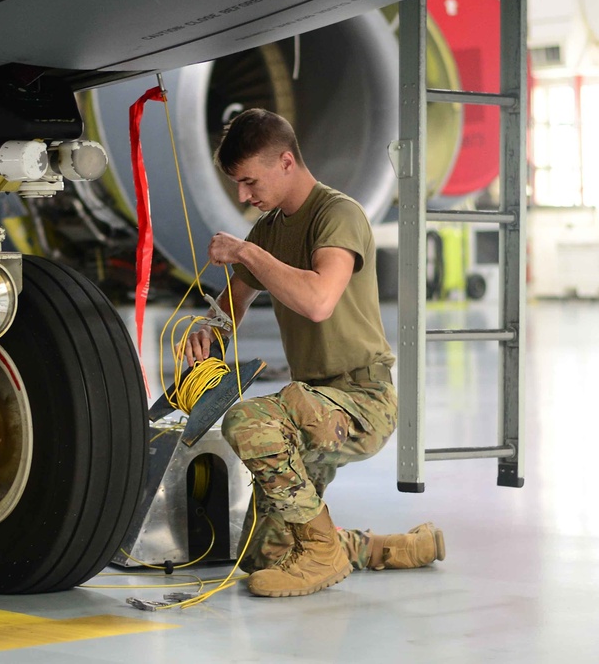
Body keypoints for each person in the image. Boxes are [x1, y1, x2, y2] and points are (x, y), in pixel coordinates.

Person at [183, 108, 444, 597]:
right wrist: (209, 330)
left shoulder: (337, 214)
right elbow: (232, 303)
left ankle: (322, 551)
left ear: (286, 162)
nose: (243, 196)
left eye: (248, 181)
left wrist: (245, 252)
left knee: (248, 421)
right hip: (312, 402)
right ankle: (382, 548)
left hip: (360, 399)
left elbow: (319, 301)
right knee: (265, 558)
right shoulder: (271, 228)